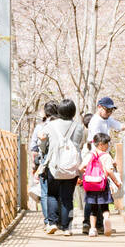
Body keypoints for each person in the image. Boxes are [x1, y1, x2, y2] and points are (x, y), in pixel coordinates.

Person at [37, 99, 86, 236]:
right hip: (71, 167)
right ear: (73, 112)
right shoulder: (79, 127)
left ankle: (52, 223)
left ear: (59, 111)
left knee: (52, 194)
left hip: (54, 166)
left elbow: (43, 145)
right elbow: (79, 145)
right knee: (67, 198)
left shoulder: (50, 125)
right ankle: (67, 227)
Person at [80, 133, 122, 236]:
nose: (108, 145)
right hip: (102, 185)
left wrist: (87, 172)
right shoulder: (106, 156)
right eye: (107, 143)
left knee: (93, 209)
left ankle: (93, 229)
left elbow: (81, 168)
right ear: (101, 144)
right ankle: (106, 219)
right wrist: (116, 182)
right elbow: (109, 171)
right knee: (104, 207)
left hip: (91, 185)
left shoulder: (90, 155)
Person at [30, 100, 59, 224]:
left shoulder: (39, 127)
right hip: (60, 162)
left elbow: (34, 149)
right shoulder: (62, 125)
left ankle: (48, 221)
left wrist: (35, 166)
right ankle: (59, 220)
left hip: (44, 162)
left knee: (45, 192)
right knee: (59, 192)